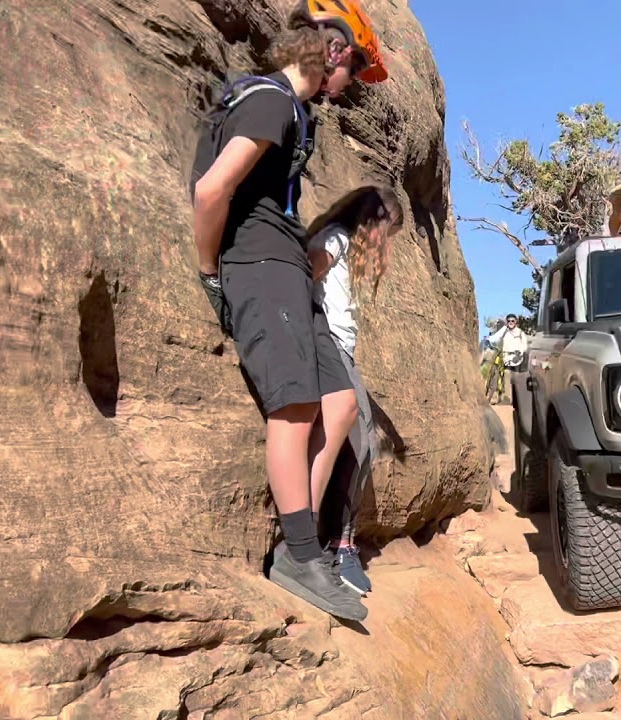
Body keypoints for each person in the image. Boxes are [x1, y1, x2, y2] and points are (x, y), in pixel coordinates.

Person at [189, 0, 387, 622]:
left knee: (341, 401)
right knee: (296, 407)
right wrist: (210, 272)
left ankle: (306, 541)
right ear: (332, 51)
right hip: (259, 267)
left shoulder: (296, 114)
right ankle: (298, 556)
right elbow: (210, 189)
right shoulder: (271, 99)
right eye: (353, 66)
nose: (350, 82)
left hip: (289, 272)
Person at [306, 185, 404, 594]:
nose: (387, 240)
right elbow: (305, 272)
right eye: (389, 229)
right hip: (328, 344)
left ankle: (336, 541)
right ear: (373, 220)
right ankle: (334, 543)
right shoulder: (335, 239)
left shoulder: (345, 245)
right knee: (358, 439)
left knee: (361, 444)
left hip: (343, 348)